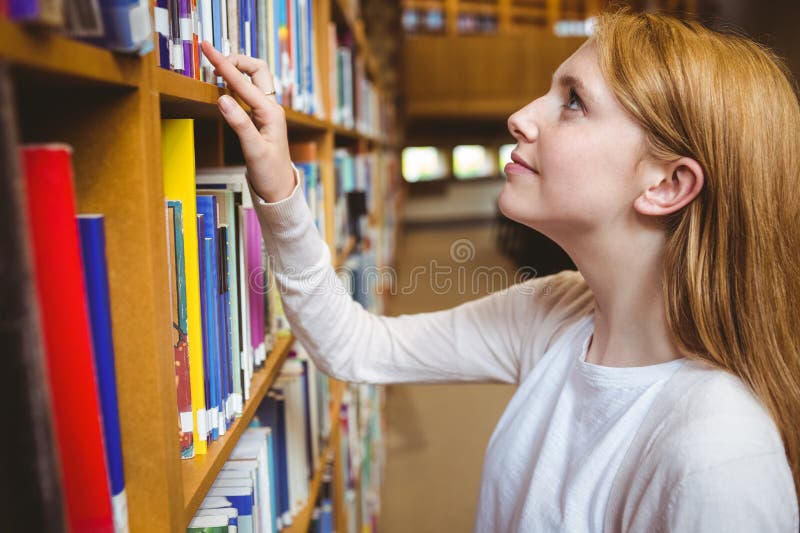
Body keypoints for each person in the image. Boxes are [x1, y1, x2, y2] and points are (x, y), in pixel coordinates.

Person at [200, 6, 800, 531]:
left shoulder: (721, 454)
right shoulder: (555, 311)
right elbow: (357, 346)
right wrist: (277, 186)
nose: (520, 115)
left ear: (666, 184)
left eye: (573, 101)